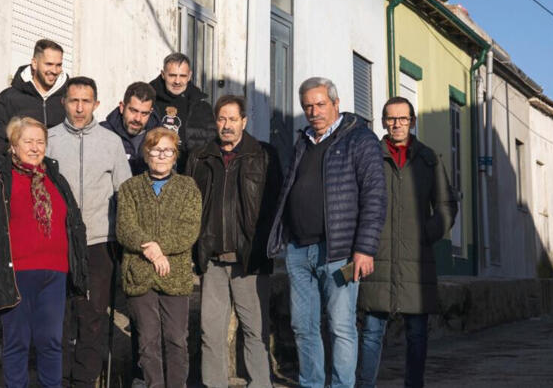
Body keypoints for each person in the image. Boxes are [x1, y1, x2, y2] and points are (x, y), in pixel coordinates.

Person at [265, 77, 386, 388]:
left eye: (320, 104)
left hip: (339, 252)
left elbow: (374, 196)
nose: (314, 111)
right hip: (298, 250)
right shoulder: (303, 142)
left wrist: (365, 249)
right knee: (303, 326)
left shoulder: (360, 139)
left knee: (341, 326)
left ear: (336, 103)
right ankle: (312, 384)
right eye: (308, 106)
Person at [0, 117, 88, 388]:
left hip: (55, 273)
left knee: (51, 341)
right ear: (13, 146)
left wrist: (78, 262)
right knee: (17, 341)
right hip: (16, 273)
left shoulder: (56, 179)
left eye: (40, 142)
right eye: (28, 141)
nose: (35, 147)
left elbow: (74, 221)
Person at [357, 97, 456, 388]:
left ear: (413, 121)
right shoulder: (369, 157)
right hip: (377, 257)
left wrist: (428, 232)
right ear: (383, 122)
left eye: (403, 118)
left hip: (417, 260)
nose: (397, 124)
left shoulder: (428, 158)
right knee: (372, 331)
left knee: (417, 333)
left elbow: (447, 205)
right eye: (391, 118)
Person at [46, 77, 132, 387]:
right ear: (63, 103)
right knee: (58, 315)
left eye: (86, 101)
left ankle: (84, 379)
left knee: (92, 315)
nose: (79, 108)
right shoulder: (49, 139)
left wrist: (123, 239)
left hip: (98, 241)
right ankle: (57, 377)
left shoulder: (111, 142)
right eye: (74, 101)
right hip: (58, 241)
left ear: (96, 104)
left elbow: (125, 192)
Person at [189, 95, 281, 388]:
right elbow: (190, 205)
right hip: (212, 259)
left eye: (232, 119)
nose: (226, 125)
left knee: (255, 331)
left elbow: (275, 205)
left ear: (244, 121)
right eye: (221, 119)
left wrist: (266, 247)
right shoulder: (199, 157)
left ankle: (260, 384)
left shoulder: (264, 155)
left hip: (250, 259)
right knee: (211, 333)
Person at [116, 128, 202, 388]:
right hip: (140, 273)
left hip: (174, 274)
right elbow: (125, 227)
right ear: (146, 154)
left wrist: (158, 246)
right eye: (156, 150)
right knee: (147, 340)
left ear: (175, 156)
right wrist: (151, 251)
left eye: (168, 150)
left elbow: (189, 229)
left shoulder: (188, 188)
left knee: (176, 339)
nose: (162, 155)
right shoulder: (130, 188)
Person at [0, 39, 69, 155]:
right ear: (34, 63)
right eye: (49, 64)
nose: (54, 71)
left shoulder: (70, 98)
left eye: (58, 65)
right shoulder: (8, 98)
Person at [149, 52, 216, 171]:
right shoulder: (149, 101)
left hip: (190, 173)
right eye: (172, 75)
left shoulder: (202, 108)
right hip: (153, 171)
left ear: (189, 76)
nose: (177, 81)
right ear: (163, 74)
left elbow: (212, 145)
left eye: (183, 76)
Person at [100, 81, 160, 176]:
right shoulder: (102, 133)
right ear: (122, 107)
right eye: (133, 111)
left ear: (151, 111)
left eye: (144, 113)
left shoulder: (161, 138)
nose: (138, 118)